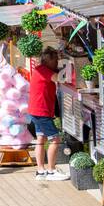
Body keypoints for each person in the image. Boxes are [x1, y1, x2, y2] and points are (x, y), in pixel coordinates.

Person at [30, 46, 67, 180]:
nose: (57, 63)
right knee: (55, 139)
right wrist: (66, 65)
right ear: (49, 60)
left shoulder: (39, 69)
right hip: (42, 111)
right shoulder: (45, 71)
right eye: (56, 60)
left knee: (41, 139)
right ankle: (51, 170)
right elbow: (59, 78)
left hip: (36, 110)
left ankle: (40, 170)